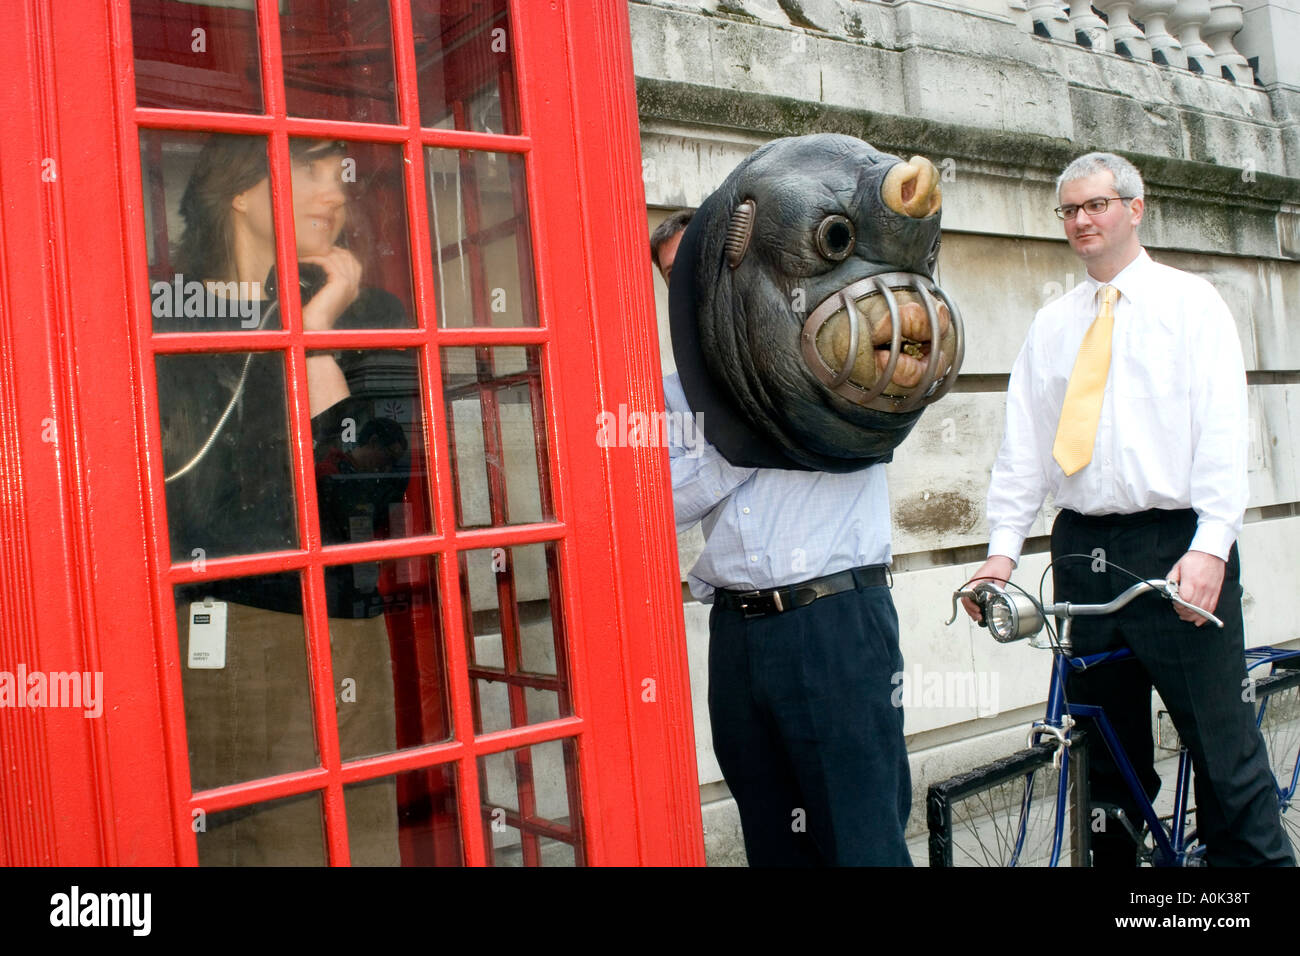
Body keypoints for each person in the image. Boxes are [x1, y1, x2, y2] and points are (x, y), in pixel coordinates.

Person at [964, 152, 1293, 866]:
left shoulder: (1190, 304)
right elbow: (1025, 451)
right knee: (1104, 760)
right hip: (1084, 552)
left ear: (1134, 210)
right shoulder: (1052, 325)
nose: (1082, 220)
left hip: (1175, 547)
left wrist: (1211, 547)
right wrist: (1001, 552)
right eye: (1070, 210)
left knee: (1223, 756)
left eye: (1097, 205)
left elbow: (1222, 435)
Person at [154, 134, 412, 864]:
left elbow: (372, 484)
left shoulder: (371, 314)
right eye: (310, 171)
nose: (337, 192)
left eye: (340, 175)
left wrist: (318, 336)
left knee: (335, 844)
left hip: (336, 630)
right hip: (207, 637)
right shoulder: (166, 315)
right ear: (239, 192)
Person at [653, 211, 912, 866]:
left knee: (861, 842)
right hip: (737, 635)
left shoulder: (838, 349)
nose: (690, 289)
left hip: (833, 623)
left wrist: (738, 437)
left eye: (701, 268)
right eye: (672, 278)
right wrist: (748, 441)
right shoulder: (676, 393)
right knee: (772, 840)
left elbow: (868, 438)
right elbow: (655, 506)